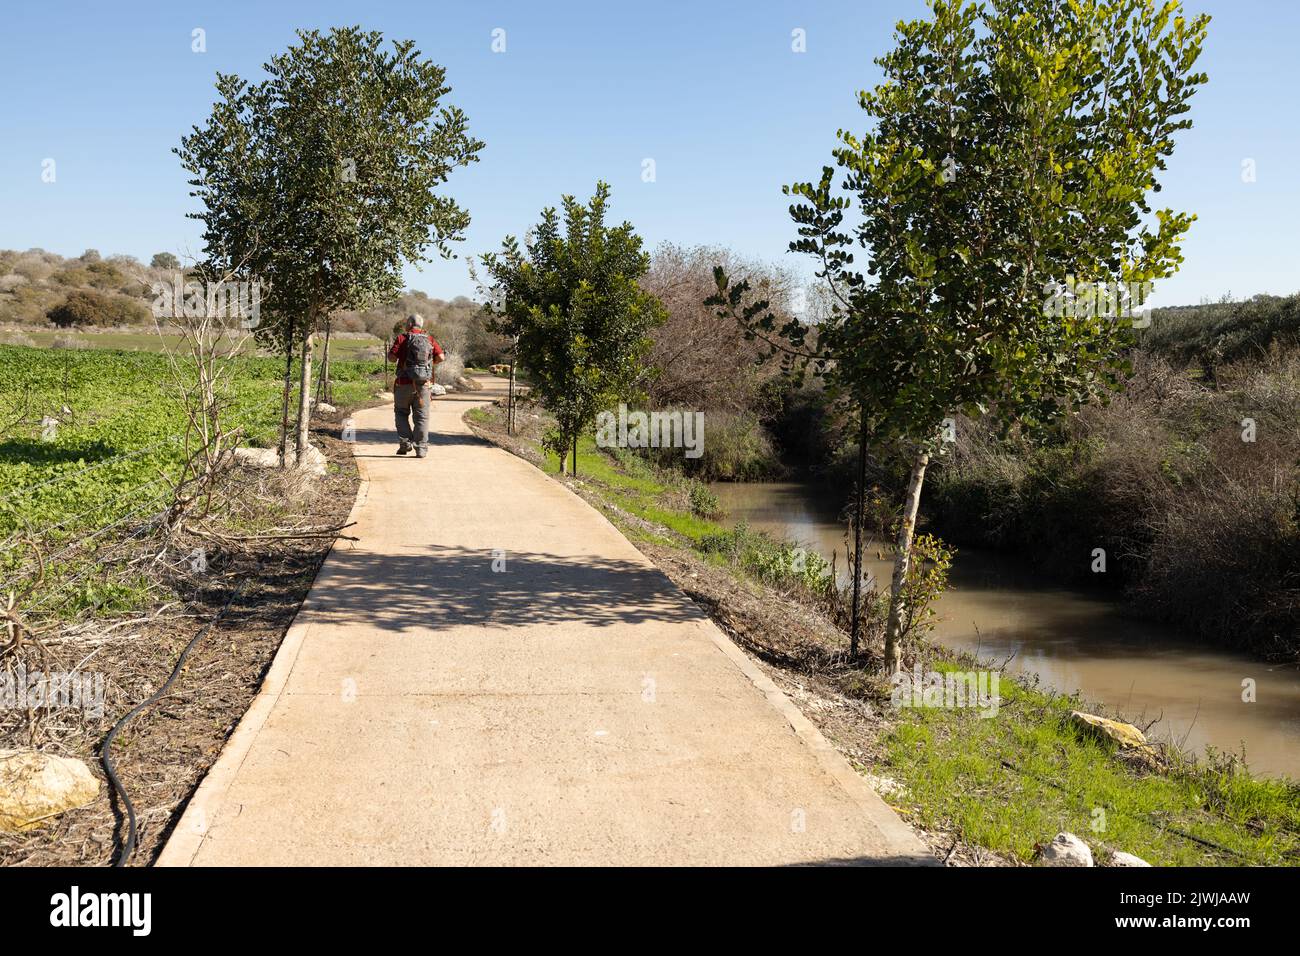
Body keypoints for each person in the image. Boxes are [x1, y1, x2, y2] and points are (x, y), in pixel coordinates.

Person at [387, 314, 444, 458]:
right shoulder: (429, 339)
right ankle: (421, 449)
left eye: (407, 323)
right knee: (422, 417)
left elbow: (392, 359)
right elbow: (441, 357)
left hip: (403, 384)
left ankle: (405, 443)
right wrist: (427, 365)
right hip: (423, 385)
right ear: (421, 325)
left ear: (411, 324)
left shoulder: (402, 338)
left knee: (401, 413)